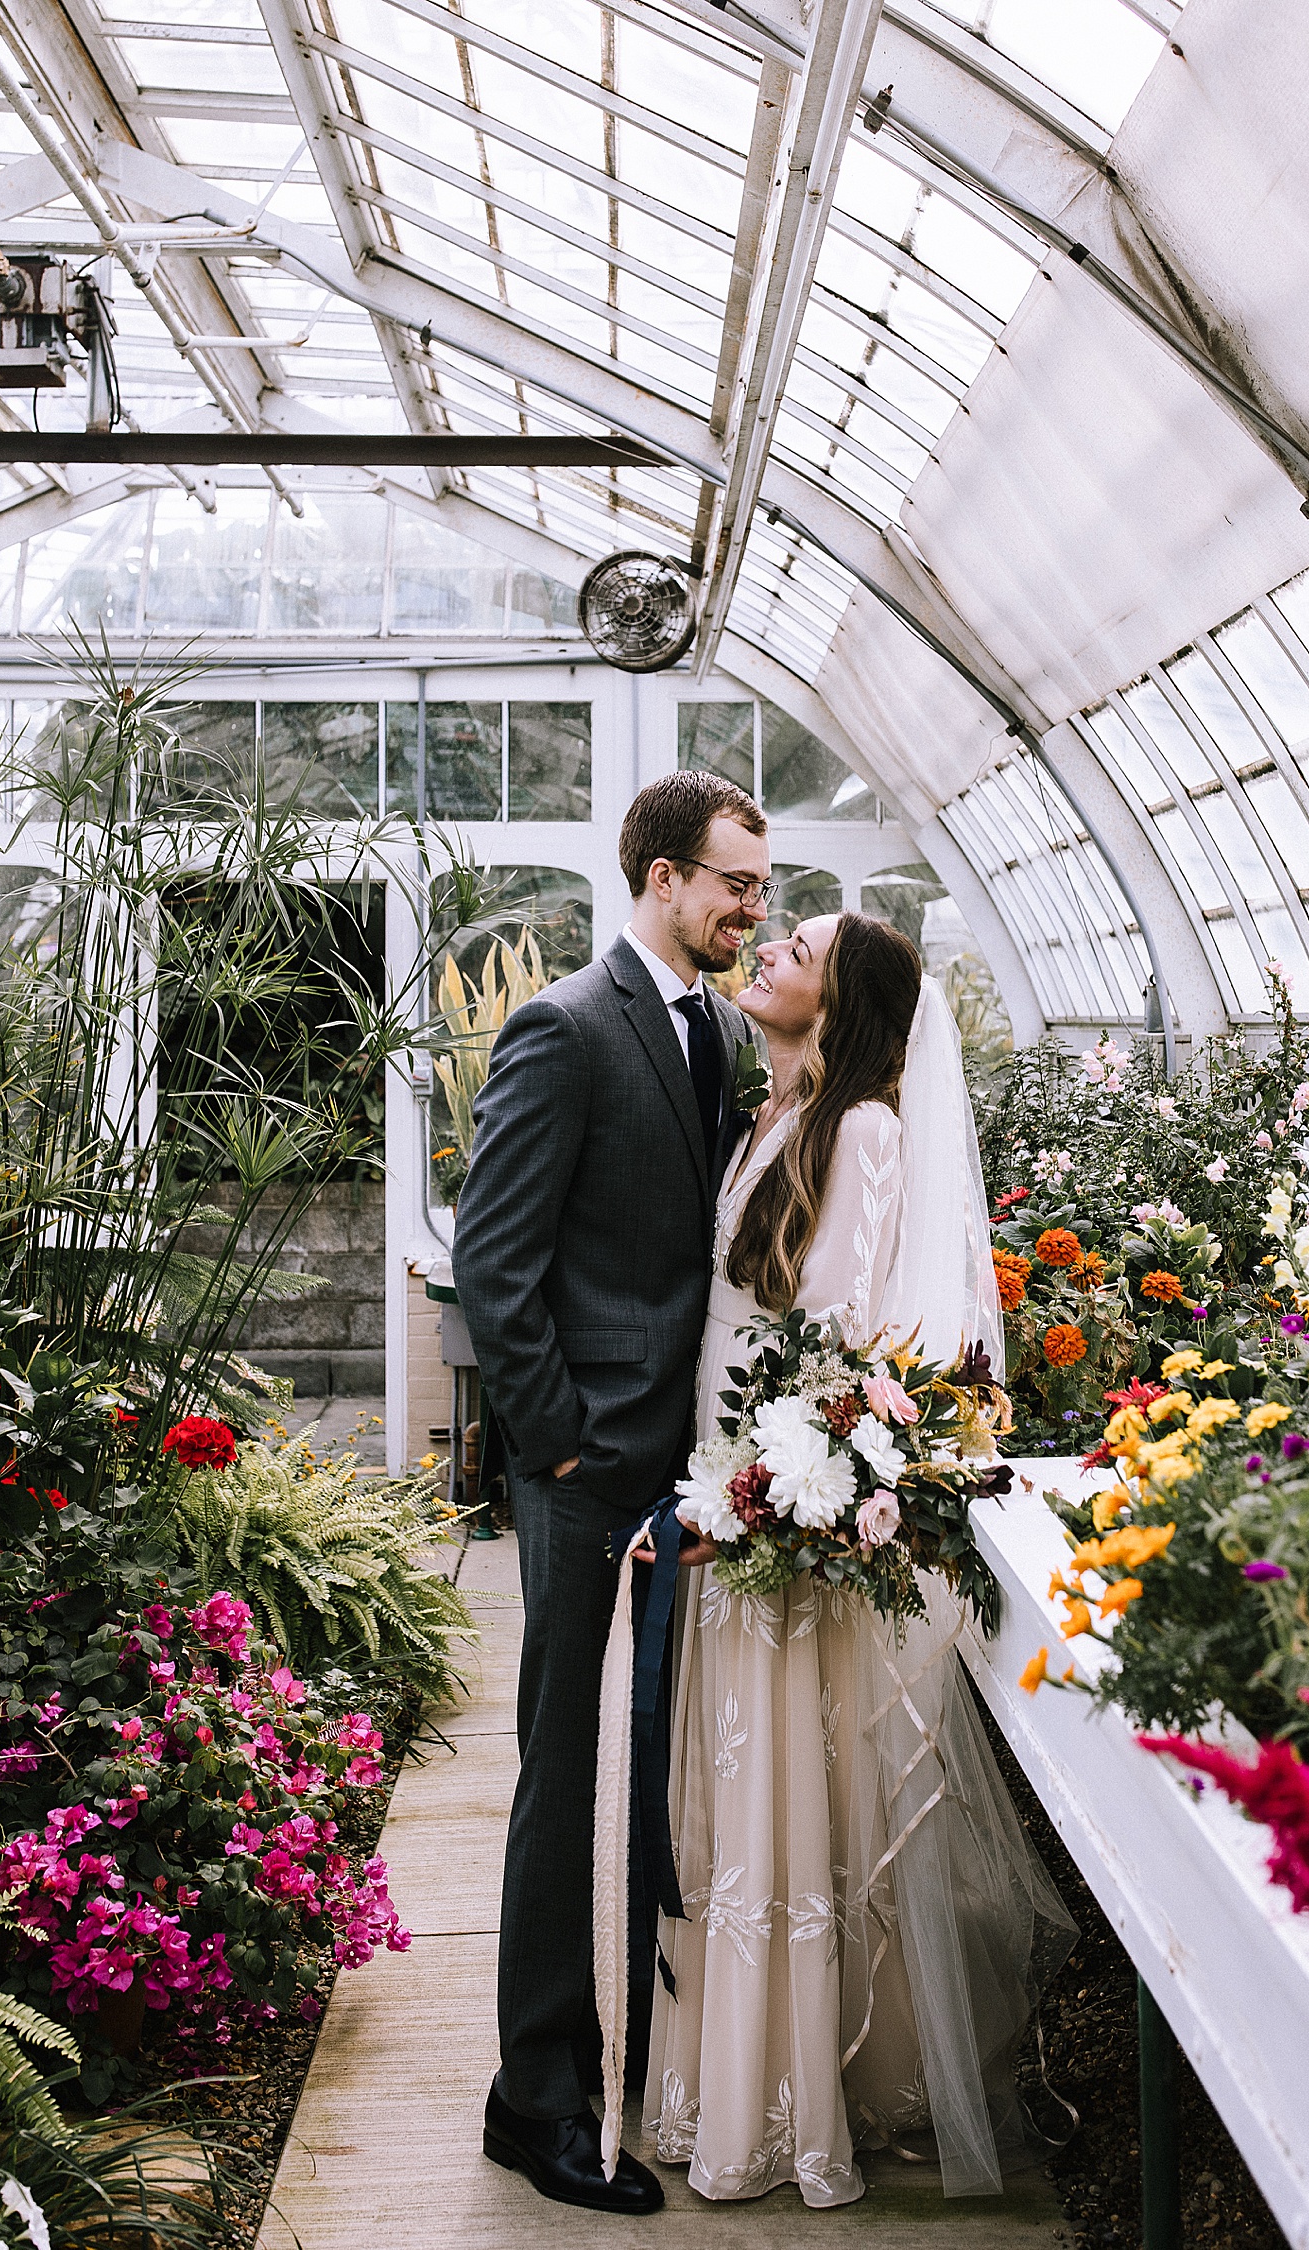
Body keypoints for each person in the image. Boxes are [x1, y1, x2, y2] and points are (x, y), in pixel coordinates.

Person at [598, 911, 1076, 2206]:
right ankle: (729, 2079)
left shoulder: (862, 1130)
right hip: (720, 1496)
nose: (766, 950)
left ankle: (799, 2097)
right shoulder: (770, 1114)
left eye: (796, 947)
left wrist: (742, 1506)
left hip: (772, 1526)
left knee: (785, 1808)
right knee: (731, 1800)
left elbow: (841, 1356)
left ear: (844, 998)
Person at [452, 770, 772, 2215]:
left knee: (660, 1774)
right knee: (562, 1777)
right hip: (587, 1476)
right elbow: (494, 1259)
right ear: (661, 877)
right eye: (735, 882)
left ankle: (649, 2059)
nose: (752, 907)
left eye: (760, 885)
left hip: (693, 1474)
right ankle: (539, 2099)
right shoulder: (566, 1028)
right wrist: (561, 1442)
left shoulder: (725, 1034)